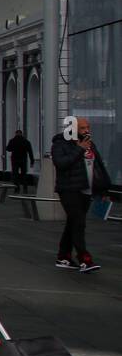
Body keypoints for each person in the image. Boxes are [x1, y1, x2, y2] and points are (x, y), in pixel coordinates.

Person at [51, 116, 111, 273]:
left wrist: (104, 189)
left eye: (88, 127)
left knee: (73, 223)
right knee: (79, 223)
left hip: (86, 190)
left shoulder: (90, 145)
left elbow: (98, 167)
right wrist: (79, 149)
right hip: (69, 189)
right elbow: (61, 163)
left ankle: (63, 256)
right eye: (83, 128)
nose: (87, 130)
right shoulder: (60, 144)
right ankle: (85, 258)